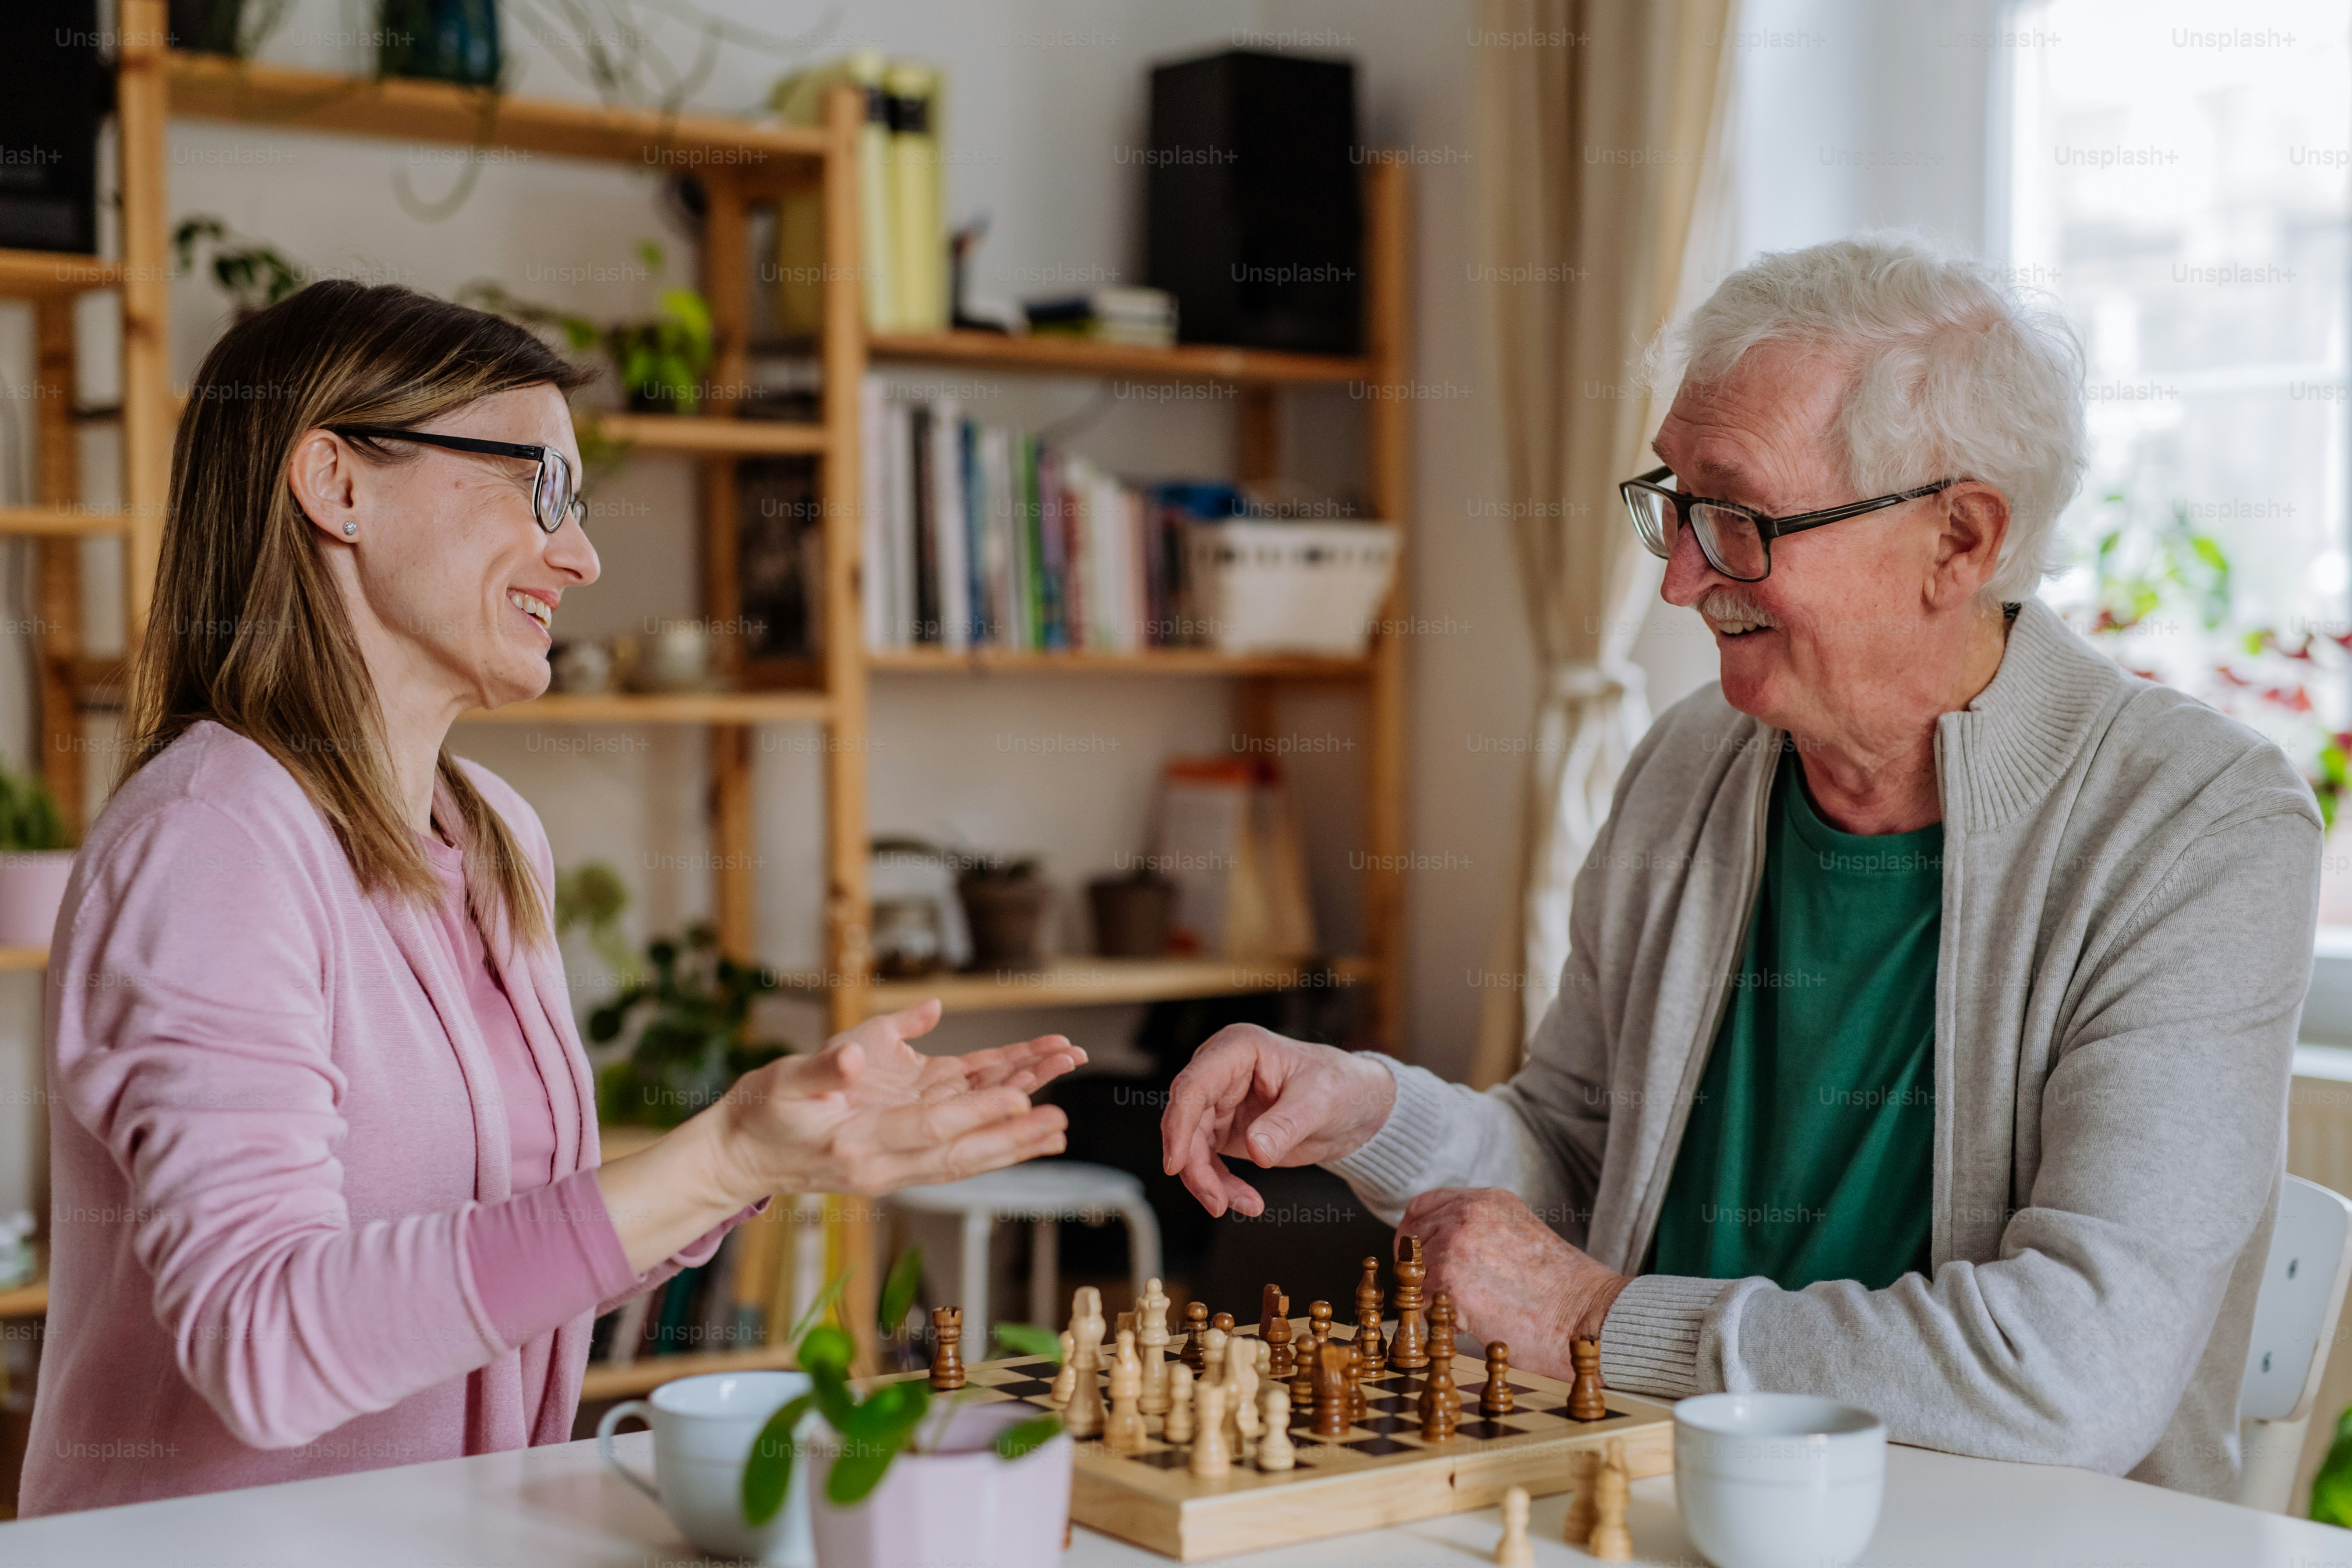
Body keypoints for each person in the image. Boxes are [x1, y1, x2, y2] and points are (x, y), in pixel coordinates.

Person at [1159, 234, 2323, 1500]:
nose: (1677, 578)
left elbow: (2068, 1370)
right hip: (1653, 1501)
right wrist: (1373, 1112)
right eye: (1675, 505)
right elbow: (1577, 1156)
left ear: (1959, 538)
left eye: (1738, 519)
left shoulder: (2195, 824)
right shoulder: (1692, 764)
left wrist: (1600, 1317)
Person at [22, 282, 1081, 1515]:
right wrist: (716, 1150)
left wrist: (765, 1155)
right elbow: (266, 1343)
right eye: (541, 488)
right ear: (337, 484)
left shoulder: (491, 831)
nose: (579, 556)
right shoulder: (215, 836)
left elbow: (502, 1273)